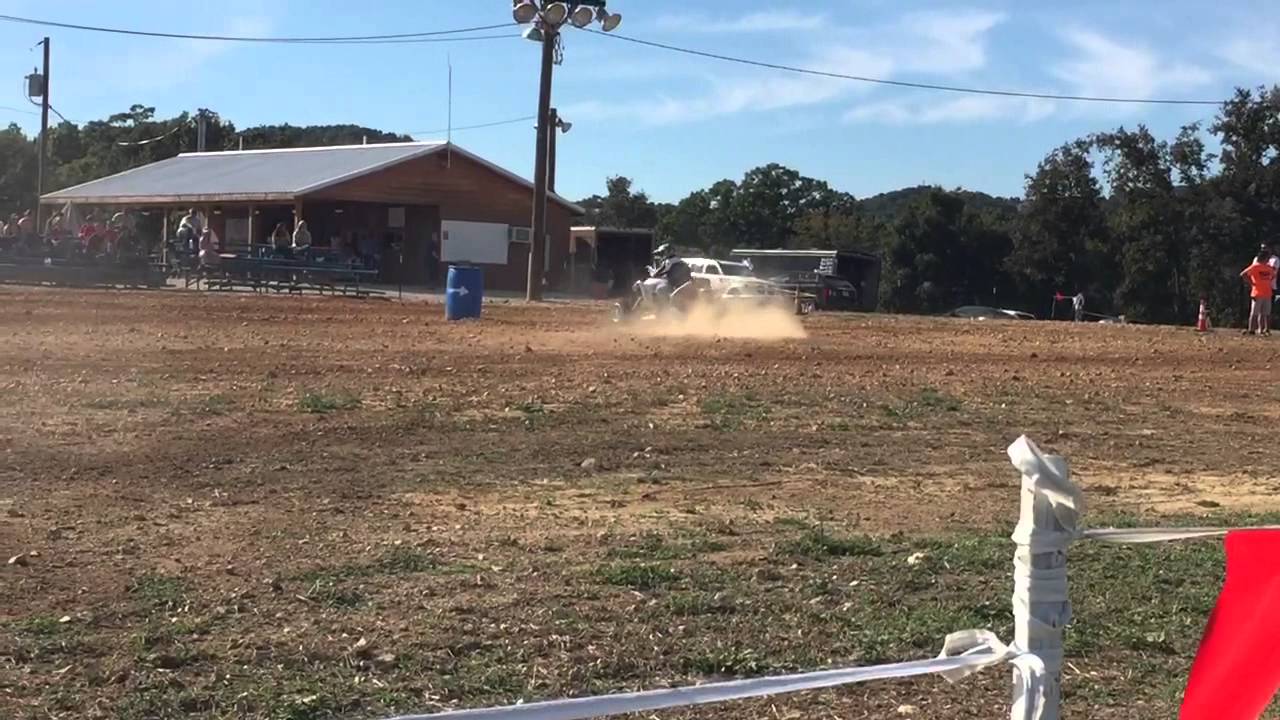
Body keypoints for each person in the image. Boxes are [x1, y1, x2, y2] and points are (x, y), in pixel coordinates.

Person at [1241, 252, 1277, 336]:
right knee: (1254, 312)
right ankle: (1251, 329)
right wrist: (1252, 283)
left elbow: (1273, 275)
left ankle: (1265, 329)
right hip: (1257, 293)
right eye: (1267, 258)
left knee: (1266, 313)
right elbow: (1243, 274)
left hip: (1267, 293)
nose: (1268, 259)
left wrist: (1268, 281)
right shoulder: (1255, 266)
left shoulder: (1268, 268)